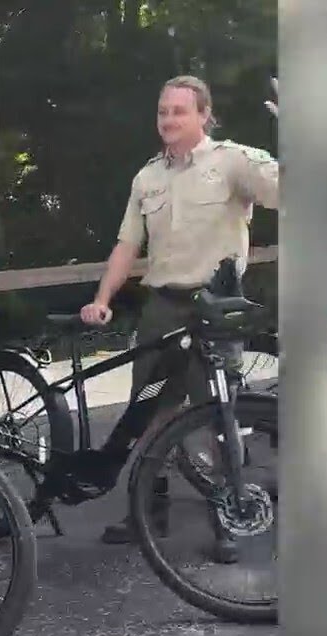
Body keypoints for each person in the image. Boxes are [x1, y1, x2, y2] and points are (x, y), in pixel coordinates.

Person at [80, 75, 279, 562]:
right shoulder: (147, 177)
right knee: (148, 410)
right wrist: (103, 297)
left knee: (219, 416)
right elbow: (129, 244)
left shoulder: (233, 161)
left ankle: (228, 515)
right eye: (163, 111)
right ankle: (151, 508)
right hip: (163, 308)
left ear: (204, 115)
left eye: (179, 111)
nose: (168, 120)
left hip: (216, 309)